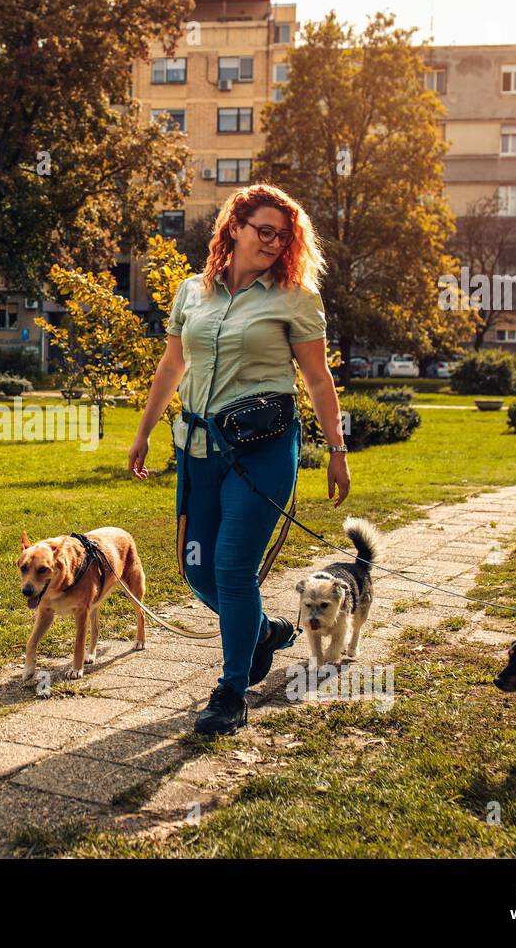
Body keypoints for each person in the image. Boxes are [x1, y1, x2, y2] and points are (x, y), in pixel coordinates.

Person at [128, 183, 350, 736]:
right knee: (196, 568)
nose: (275, 242)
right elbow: (171, 367)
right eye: (264, 230)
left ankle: (231, 691)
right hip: (197, 448)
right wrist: (145, 431)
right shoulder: (192, 292)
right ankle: (265, 632)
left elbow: (318, 380)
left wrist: (337, 452)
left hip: (264, 452)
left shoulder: (294, 296)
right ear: (235, 228)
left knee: (231, 567)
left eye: (284, 234)